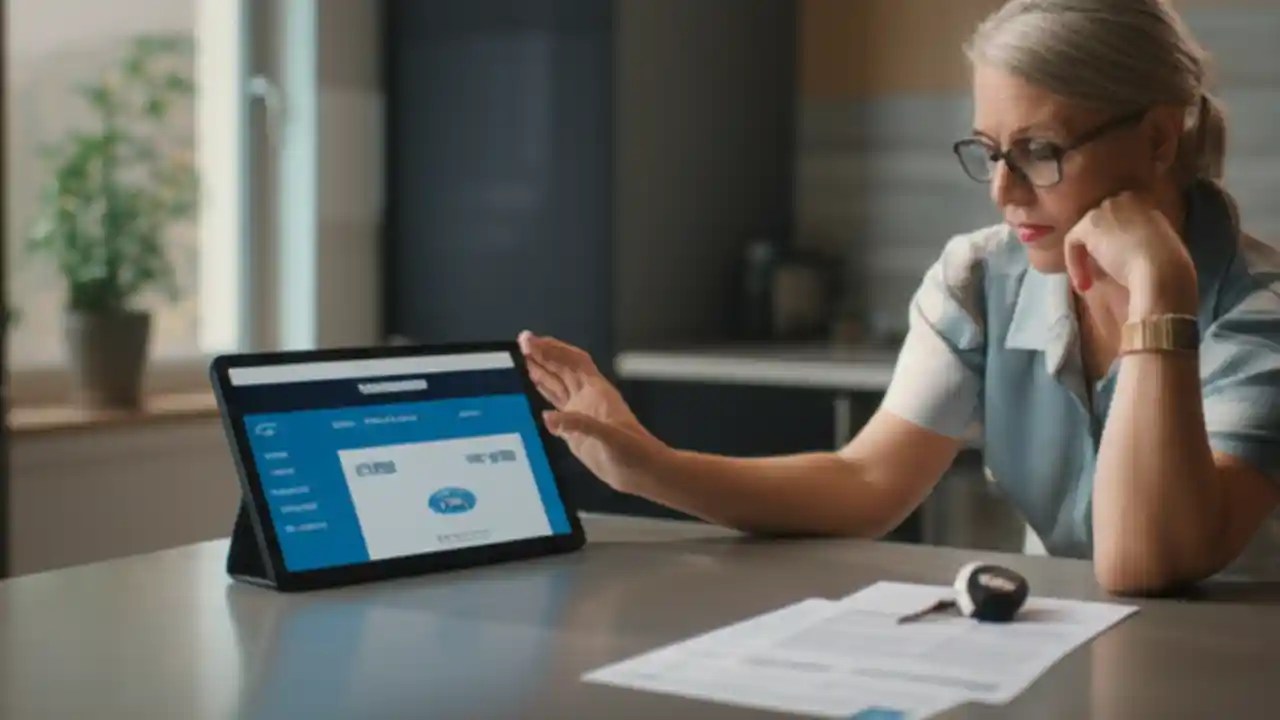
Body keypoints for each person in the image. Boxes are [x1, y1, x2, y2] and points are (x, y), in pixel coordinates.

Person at [518, 0, 1280, 596]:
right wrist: (650, 467)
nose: (1003, 192)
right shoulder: (983, 276)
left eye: (1040, 151)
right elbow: (866, 483)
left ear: (1158, 139)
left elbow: (1149, 564)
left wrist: (1159, 290)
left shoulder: (1262, 310)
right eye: (990, 152)